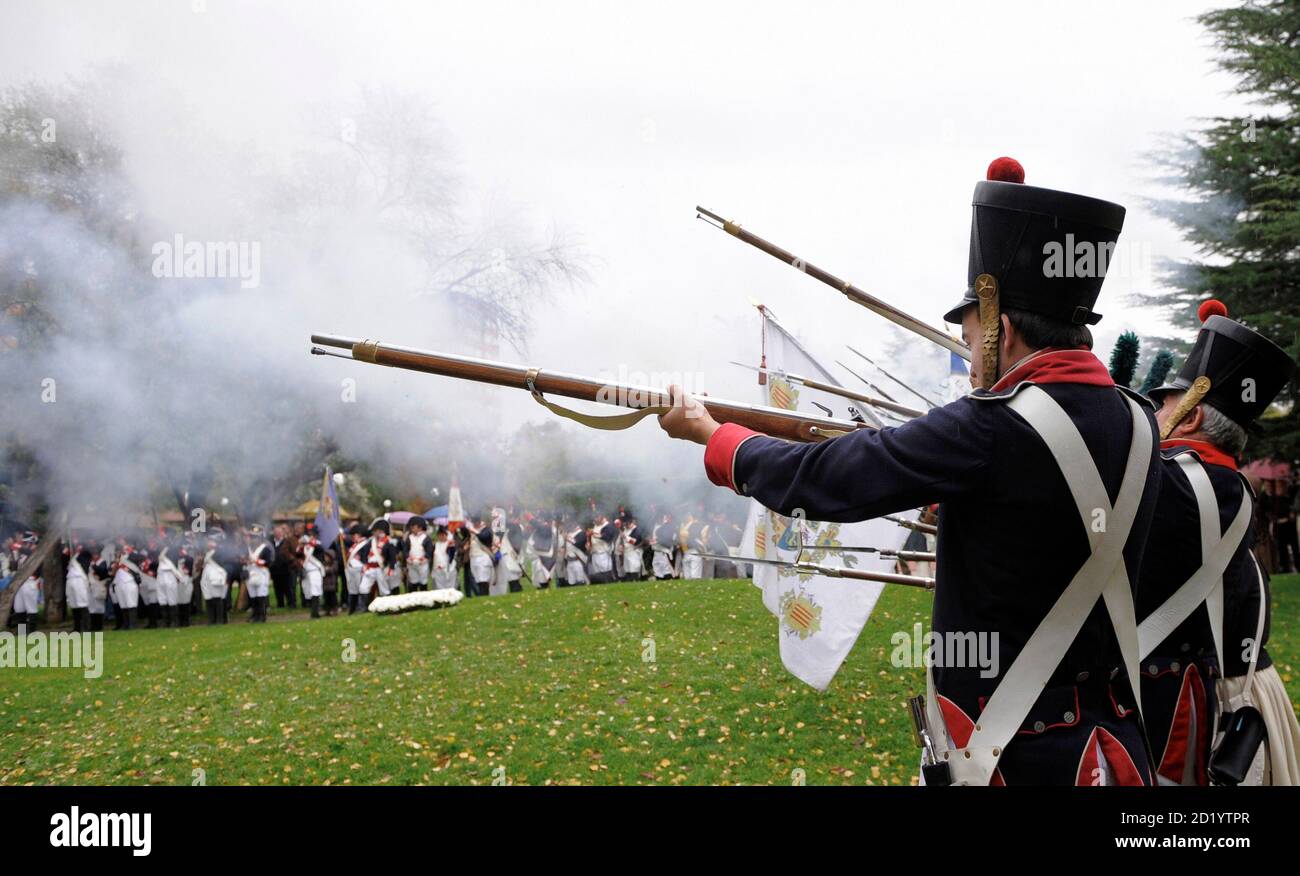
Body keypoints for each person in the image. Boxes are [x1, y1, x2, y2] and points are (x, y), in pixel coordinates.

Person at [659, 157, 1160, 785]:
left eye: (969, 329)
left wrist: (715, 436)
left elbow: (827, 479)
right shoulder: (1142, 424)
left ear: (999, 332)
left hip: (1009, 761)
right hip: (1114, 754)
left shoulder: (990, 427)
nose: (966, 349)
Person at [1142, 302, 1300, 785]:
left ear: (1189, 418)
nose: (1155, 412)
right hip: (1231, 692)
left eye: (1165, 403)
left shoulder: (1181, 484)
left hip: (1211, 705)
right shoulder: (1221, 481)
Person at [354, 518, 398, 611]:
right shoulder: (371, 542)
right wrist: (365, 564)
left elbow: (392, 556)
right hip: (370, 568)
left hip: (381, 568)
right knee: (363, 587)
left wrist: (391, 568)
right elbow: (364, 553)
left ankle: (386, 606)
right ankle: (364, 607)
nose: (375, 533)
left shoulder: (388, 542)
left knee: (384, 589)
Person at [199, 530, 233, 625]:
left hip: (218, 577)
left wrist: (226, 578)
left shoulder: (221, 552)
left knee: (218, 598)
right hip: (207, 577)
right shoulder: (207, 553)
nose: (207, 542)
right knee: (209, 597)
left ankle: (220, 619)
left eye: (210, 540)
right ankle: (211, 619)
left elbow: (227, 566)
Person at [243, 524, 274, 623]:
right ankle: (254, 615)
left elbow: (268, 561)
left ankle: (262, 615)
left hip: (261, 572)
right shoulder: (247, 548)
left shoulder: (265, 548)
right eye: (252, 537)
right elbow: (244, 559)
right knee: (252, 595)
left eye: (255, 537)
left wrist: (257, 562)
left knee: (261, 594)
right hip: (250, 572)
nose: (253, 540)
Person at [65, 541, 93, 632]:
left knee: (82, 604)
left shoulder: (84, 555)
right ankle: (77, 628)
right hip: (70, 580)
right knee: (74, 605)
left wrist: (81, 549)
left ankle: (86, 627)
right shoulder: (72, 556)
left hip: (80, 580)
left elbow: (88, 553)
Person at [401, 516, 434, 592]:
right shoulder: (409, 537)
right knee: (413, 583)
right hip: (411, 563)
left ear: (420, 527)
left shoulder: (426, 538)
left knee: (423, 583)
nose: (411, 528)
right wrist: (407, 558)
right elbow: (405, 549)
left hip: (422, 564)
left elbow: (429, 551)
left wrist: (424, 559)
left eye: (413, 526)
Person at [465, 515, 495, 597]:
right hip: (473, 558)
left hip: (483, 558)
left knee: (483, 580)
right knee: (478, 579)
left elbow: (484, 537)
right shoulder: (473, 531)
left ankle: (484, 597)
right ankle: (483, 597)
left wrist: (474, 530)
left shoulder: (486, 529)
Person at [298, 534, 327, 619]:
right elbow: (298, 554)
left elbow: (320, 550)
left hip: (315, 570)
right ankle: (313, 611)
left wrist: (311, 543)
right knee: (308, 591)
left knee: (316, 591)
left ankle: (315, 612)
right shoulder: (305, 547)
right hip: (307, 571)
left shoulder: (317, 545)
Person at [527, 518, 556, 589]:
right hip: (538, 561)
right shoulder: (537, 532)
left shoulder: (545, 531)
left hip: (543, 562)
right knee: (539, 583)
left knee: (543, 582)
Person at [588, 513, 617, 584]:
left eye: (596, 517)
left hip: (603, 553)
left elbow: (607, 537)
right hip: (595, 552)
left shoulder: (608, 526)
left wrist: (594, 534)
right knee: (597, 573)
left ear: (601, 517)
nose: (595, 520)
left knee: (605, 572)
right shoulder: (595, 526)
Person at [563, 520, 590, 587]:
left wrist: (569, 539)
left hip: (578, 559)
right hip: (569, 560)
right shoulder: (569, 533)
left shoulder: (581, 533)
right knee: (572, 581)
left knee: (581, 579)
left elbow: (579, 544)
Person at [620, 512, 645, 581]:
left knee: (634, 570)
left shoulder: (636, 530)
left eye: (627, 523)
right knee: (628, 571)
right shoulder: (625, 529)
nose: (626, 525)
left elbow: (634, 542)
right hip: (626, 553)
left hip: (634, 553)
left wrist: (625, 537)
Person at [651, 513, 676, 580]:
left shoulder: (669, 527)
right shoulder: (656, 526)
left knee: (666, 570)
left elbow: (670, 540)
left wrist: (658, 541)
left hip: (664, 551)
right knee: (657, 570)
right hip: (656, 551)